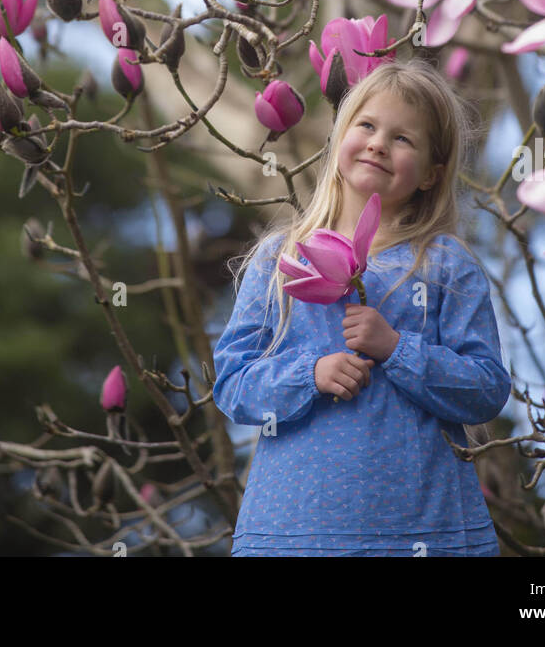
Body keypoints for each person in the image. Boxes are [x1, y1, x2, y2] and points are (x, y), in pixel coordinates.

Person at [211, 58, 512, 557]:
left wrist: (398, 349)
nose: (378, 143)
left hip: (423, 535)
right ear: (339, 137)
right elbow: (233, 384)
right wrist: (311, 373)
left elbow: (485, 389)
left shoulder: (444, 265)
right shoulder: (281, 258)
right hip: (293, 537)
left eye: (403, 139)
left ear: (432, 174)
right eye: (367, 125)